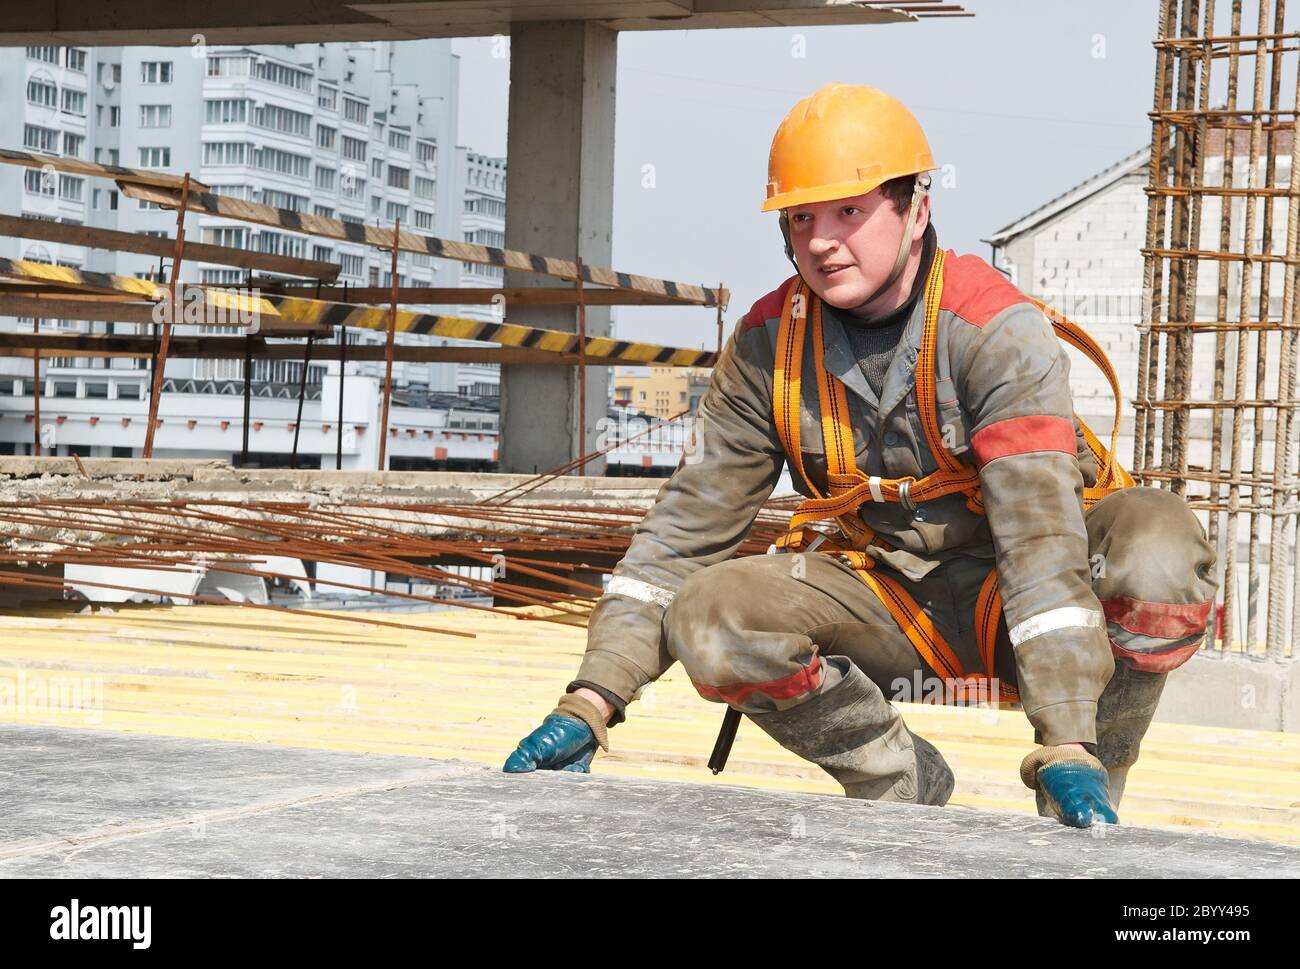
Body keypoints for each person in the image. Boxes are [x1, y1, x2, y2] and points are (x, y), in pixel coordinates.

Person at [503, 82, 1217, 829]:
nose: (821, 239)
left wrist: (1067, 740)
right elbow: (684, 533)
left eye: (850, 211)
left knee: (1158, 550)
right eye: (802, 217)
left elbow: (1041, 542)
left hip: (1029, 597)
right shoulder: (766, 346)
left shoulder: (994, 329)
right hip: (893, 601)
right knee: (711, 616)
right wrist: (590, 699)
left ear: (917, 211)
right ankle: (899, 778)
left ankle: (1090, 785)